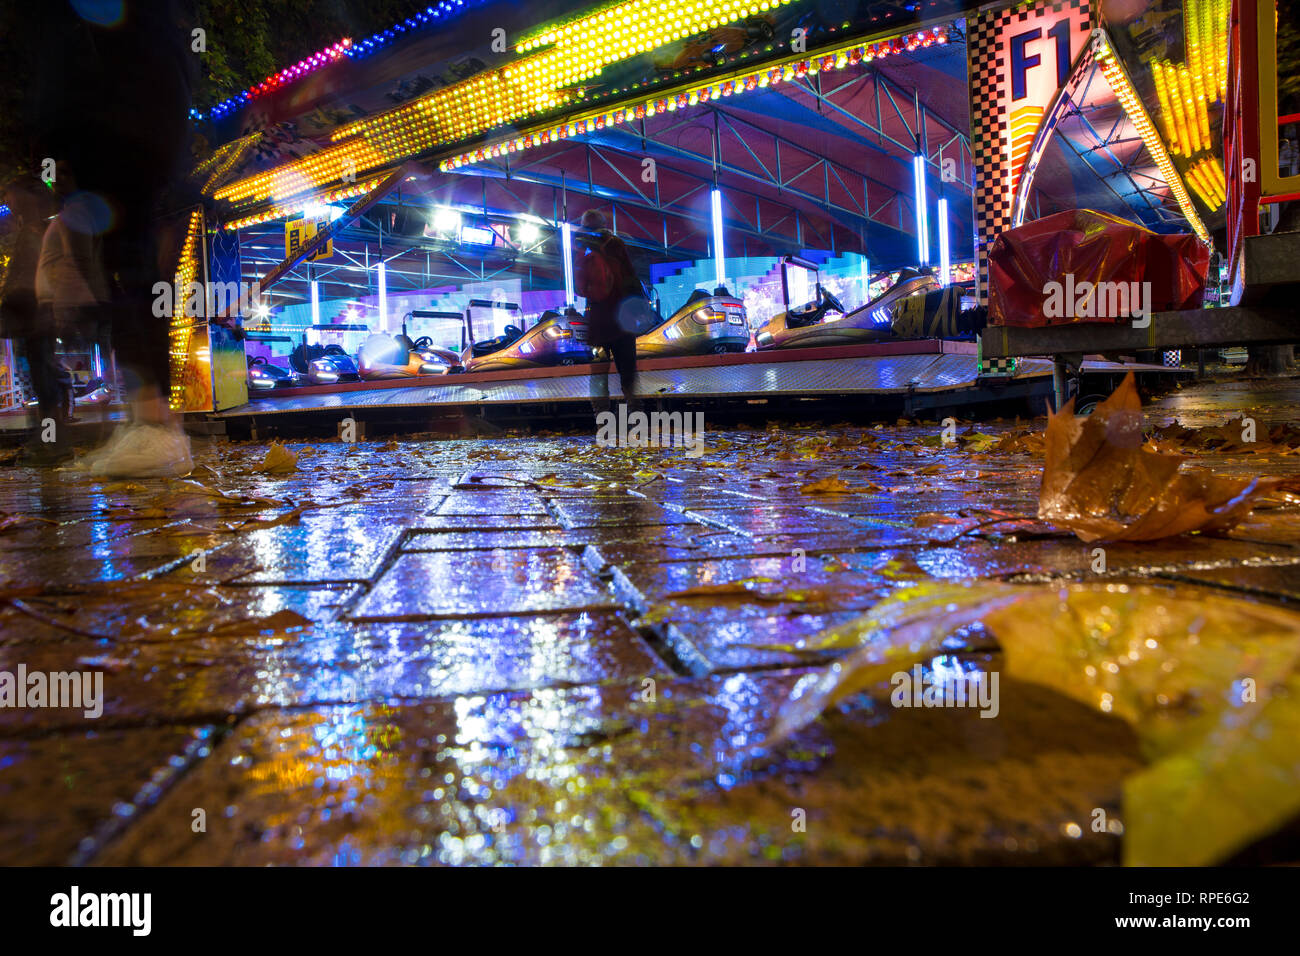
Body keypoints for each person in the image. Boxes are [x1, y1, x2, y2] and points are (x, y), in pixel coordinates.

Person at [0, 180, 72, 464]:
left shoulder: (34, 232)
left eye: (11, 195)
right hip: (35, 315)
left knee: (44, 380)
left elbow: (33, 277)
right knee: (42, 379)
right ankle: (49, 441)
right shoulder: (35, 231)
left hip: (36, 315)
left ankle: (52, 443)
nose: (8, 200)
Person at [575, 209, 646, 413]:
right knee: (628, 372)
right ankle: (636, 415)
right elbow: (631, 278)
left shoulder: (583, 249)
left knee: (598, 374)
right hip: (622, 321)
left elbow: (580, 287)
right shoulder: (616, 244)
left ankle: (602, 419)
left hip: (598, 323)